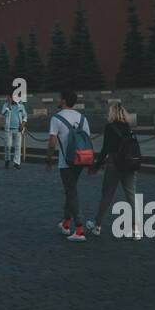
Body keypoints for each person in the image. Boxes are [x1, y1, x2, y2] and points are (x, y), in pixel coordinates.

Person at [47, 90, 92, 242]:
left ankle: (79, 229)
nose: (58, 100)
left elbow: (52, 142)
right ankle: (66, 224)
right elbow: (87, 139)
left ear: (64, 100)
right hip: (80, 159)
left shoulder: (56, 118)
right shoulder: (82, 118)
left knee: (71, 192)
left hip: (65, 162)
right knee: (70, 190)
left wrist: (48, 159)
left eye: (59, 98)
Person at [93, 102, 143, 240]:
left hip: (114, 163)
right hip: (130, 164)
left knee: (107, 195)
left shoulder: (109, 128)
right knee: (131, 196)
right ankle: (136, 230)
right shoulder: (129, 128)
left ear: (112, 114)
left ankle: (97, 225)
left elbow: (105, 149)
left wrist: (96, 166)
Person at [1, 90, 28, 170]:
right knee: (8, 146)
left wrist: (22, 125)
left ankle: (16, 163)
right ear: (9, 97)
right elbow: (3, 113)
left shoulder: (20, 106)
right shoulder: (6, 105)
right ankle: (7, 160)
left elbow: (25, 116)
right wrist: (9, 105)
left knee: (18, 147)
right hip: (8, 129)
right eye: (12, 97)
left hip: (18, 129)